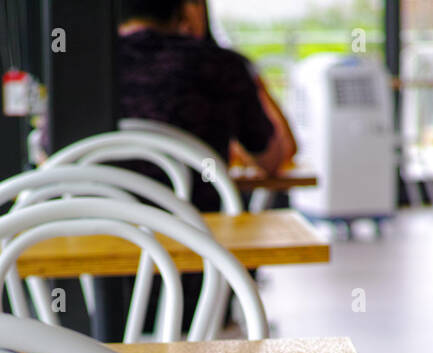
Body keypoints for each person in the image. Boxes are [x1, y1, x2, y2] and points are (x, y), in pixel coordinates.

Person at [117, 0, 289, 212]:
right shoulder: (221, 65)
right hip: (200, 225)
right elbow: (271, 160)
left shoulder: (83, 64)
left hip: (96, 227)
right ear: (182, 10)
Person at [176, 0, 298, 172]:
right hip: (212, 194)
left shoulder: (223, 68)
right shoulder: (225, 66)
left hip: (128, 198)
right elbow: (277, 155)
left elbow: (285, 149)